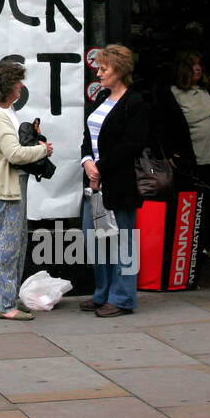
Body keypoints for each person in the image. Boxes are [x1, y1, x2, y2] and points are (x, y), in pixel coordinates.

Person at [79, 44, 149, 317]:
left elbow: (133, 144)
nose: (98, 73)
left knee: (123, 241)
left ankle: (122, 298)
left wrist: (100, 168)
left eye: (104, 69)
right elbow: (88, 137)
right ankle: (103, 293)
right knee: (96, 238)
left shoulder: (134, 103)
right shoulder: (101, 100)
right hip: (96, 182)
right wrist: (87, 162)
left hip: (118, 181)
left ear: (119, 70)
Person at [0, 58, 53, 321]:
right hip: (5, 189)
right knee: (7, 246)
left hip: (10, 186)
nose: (21, 87)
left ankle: (8, 298)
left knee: (17, 244)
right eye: (17, 83)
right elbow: (13, 153)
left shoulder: (3, 111)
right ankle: (4, 305)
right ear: (6, 87)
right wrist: (42, 149)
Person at [168, 50, 210, 253]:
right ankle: (188, 246)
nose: (197, 69)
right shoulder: (172, 92)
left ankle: (204, 244)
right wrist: (171, 153)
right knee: (188, 204)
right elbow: (165, 124)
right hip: (187, 160)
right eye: (192, 65)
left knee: (207, 203)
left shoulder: (208, 90)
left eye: (199, 65)